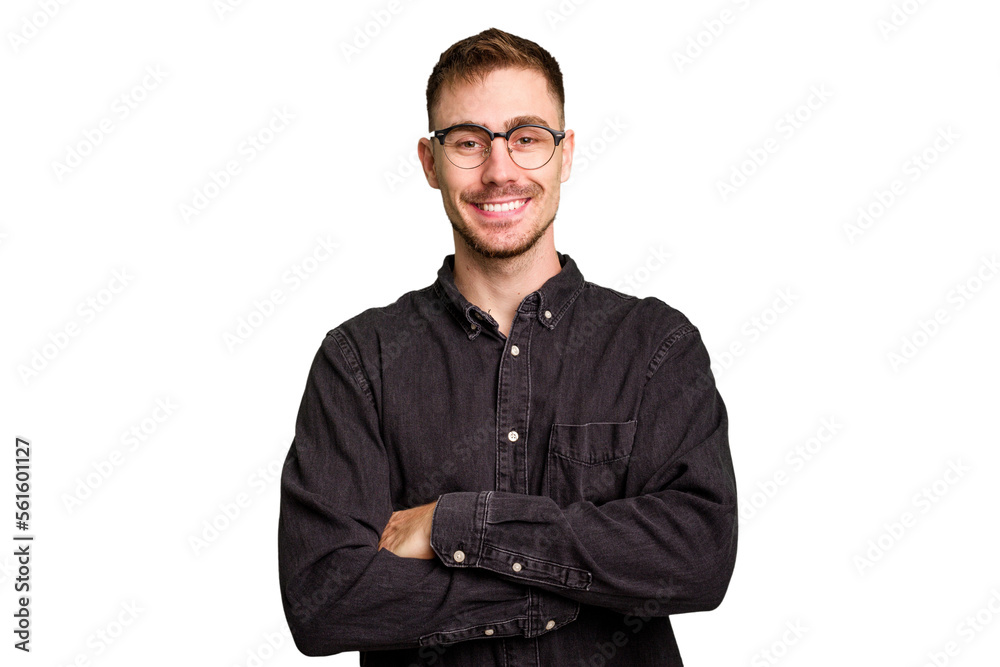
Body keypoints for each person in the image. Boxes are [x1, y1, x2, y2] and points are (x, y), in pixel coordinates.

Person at [278, 27, 737, 666]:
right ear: (429, 161)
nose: (499, 171)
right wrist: (565, 590)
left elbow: (698, 557)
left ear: (566, 153)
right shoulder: (361, 362)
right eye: (468, 142)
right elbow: (323, 600)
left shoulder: (657, 347)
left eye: (526, 137)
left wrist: (455, 527)